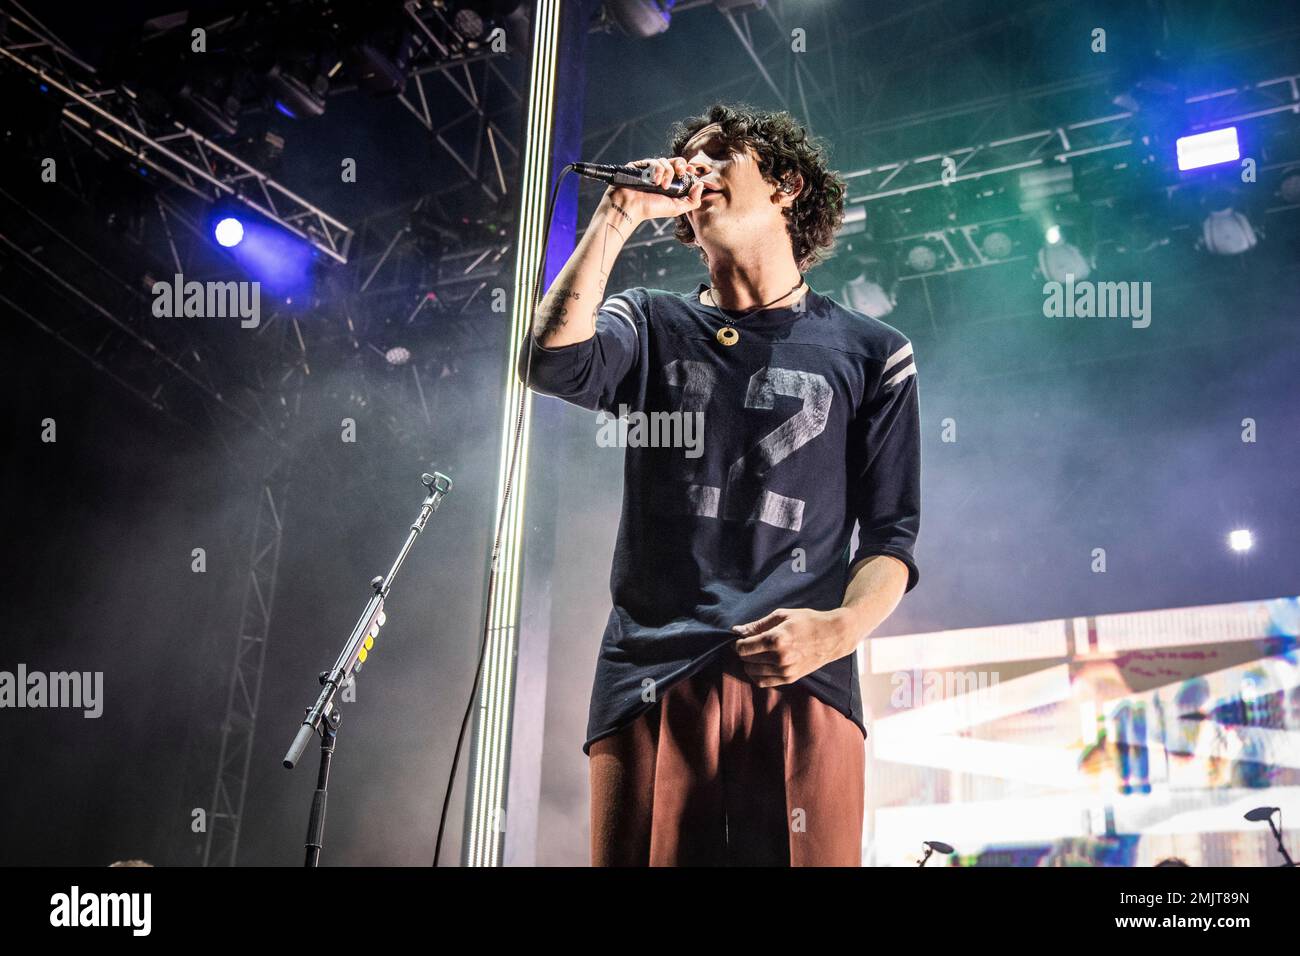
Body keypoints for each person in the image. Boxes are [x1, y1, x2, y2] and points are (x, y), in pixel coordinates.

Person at [518, 103, 921, 866]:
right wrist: (617, 212)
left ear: (787, 187)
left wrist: (838, 631)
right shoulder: (648, 320)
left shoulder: (874, 352)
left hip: (802, 669)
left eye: (720, 154)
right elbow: (552, 364)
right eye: (689, 158)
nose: (697, 168)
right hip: (652, 672)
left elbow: (893, 536)